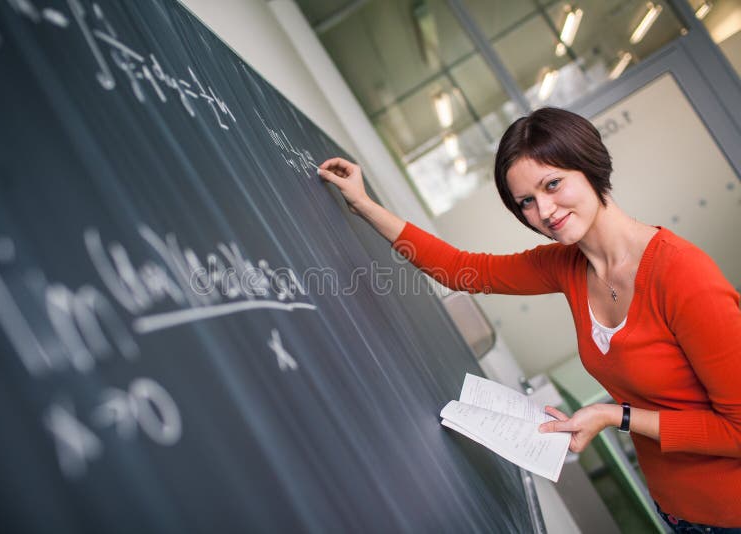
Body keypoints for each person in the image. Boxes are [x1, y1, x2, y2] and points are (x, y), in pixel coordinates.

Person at [317, 107, 741, 531]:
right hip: (677, 511)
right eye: (527, 202)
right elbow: (461, 269)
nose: (545, 210)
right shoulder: (567, 264)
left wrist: (617, 415)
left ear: (590, 167)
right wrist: (363, 205)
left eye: (553, 184)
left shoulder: (682, 273)